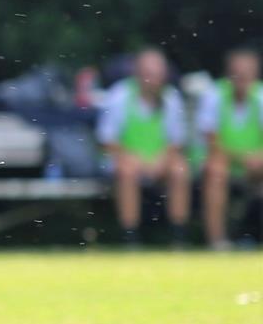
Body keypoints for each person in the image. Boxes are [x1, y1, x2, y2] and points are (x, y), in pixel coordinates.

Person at [96, 47, 191, 246]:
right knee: (127, 171)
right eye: (148, 74)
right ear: (137, 73)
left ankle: (178, 236)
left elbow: (177, 143)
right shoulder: (119, 95)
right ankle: (131, 237)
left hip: (160, 161)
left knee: (180, 169)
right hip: (126, 160)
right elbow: (106, 141)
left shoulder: (171, 98)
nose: (153, 79)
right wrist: (133, 158)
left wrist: (161, 160)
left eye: (157, 74)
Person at [198, 47, 263, 249]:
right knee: (216, 171)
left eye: (247, 73)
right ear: (229, 74)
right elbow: (212, 142)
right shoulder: (214, 95)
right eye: (238, 73)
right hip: (223, 163)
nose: (242, 78)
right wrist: (244, 158)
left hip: (256, 166)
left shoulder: (261, 97)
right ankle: (217, 242)